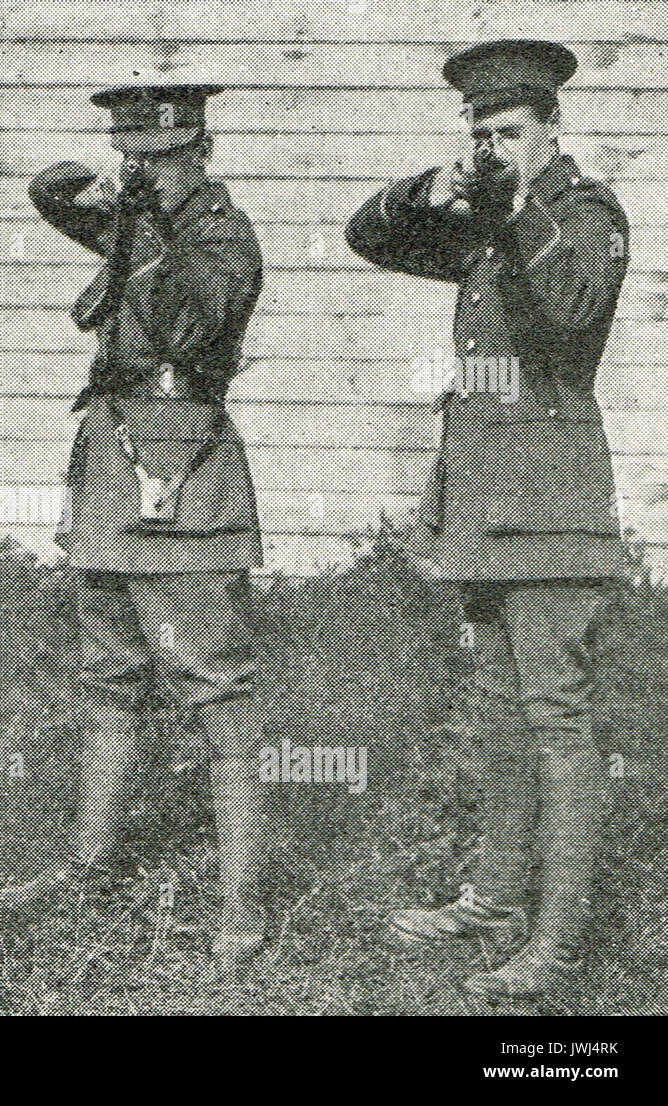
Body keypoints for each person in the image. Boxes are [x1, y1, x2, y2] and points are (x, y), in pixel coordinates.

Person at [345, 40, 629, 997]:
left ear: (552, 130)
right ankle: (495, 902)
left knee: (557, 719)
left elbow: (571, 309)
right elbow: (367, 235)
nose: (495, 146)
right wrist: (440, 187)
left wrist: (511, 210)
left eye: (510, 131)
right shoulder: (485, 216)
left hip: (551, 509)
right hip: (486, 505)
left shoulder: (585, 216)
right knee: (504, 718)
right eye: (481, 133)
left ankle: (560, 939)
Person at [0, 84, 272, 976]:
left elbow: (186, 322)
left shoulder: (224, 238)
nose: (139, 171)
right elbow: (50, 186)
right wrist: (121, 204)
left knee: (218, 694)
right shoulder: (136, 216)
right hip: (112, 468)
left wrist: (140, 231)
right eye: (129, 155)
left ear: (200, 151)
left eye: (158, 158)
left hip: (179, 478)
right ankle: (87, 870)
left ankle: (241, 909)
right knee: (108, 679)